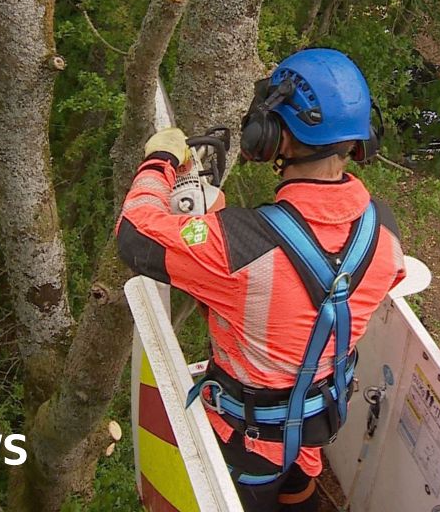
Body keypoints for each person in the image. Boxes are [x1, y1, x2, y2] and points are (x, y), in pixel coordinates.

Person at [116, 48, 406, 511]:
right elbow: (318, 290)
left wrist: (160, 162)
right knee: (298, 488)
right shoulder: (384, 229)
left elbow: (135, 234)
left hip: (246, 440)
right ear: (359, 139)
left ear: (276, 136)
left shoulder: (238, 245)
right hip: (319, 418)